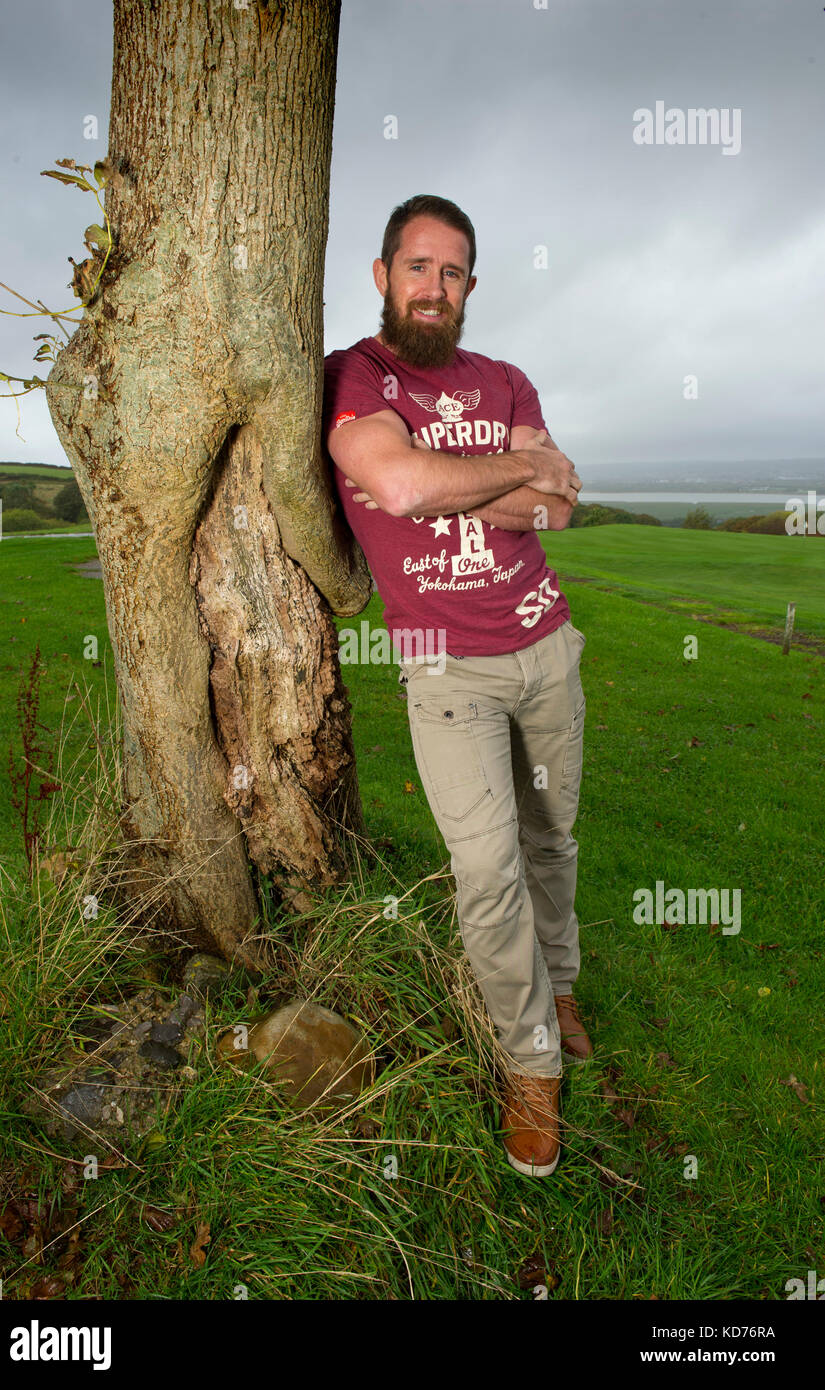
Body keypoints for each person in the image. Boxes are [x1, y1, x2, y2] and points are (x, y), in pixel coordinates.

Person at [322, 194, 592, 1178]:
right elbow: (394, 486)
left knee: (548, 838)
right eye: (417, 266)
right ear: (384, 274)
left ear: (469, 287)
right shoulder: (357, 374)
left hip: (545, 645)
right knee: (487, 874)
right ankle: (531, 1065)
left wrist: (471, 472)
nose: (434, 287)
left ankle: (559, 987)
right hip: (445, 668)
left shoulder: (505, 377)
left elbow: (554, 505)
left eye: (453, 272)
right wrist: (509, 467)